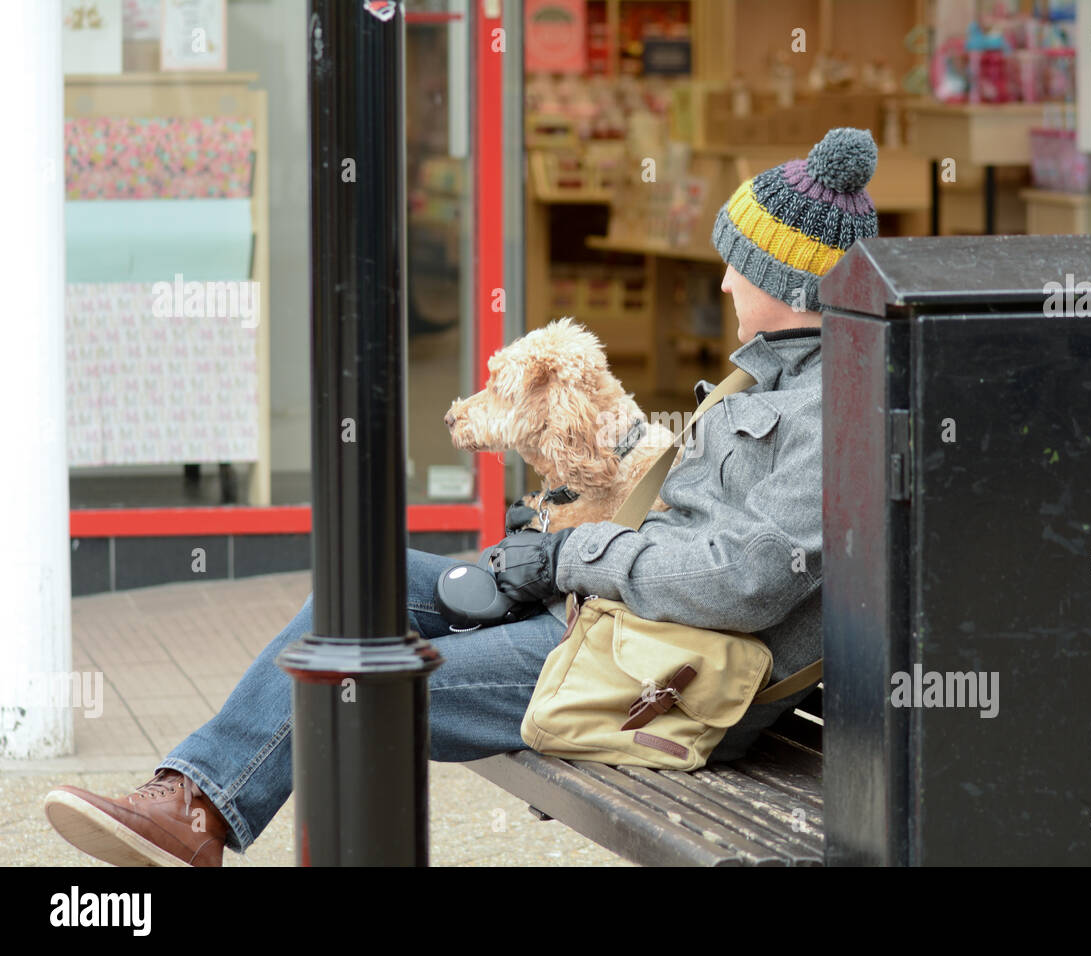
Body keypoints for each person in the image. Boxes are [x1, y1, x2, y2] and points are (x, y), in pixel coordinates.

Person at [43, 127, 879, 867]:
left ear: (791, 285)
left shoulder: (833, 409)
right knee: (366, 590)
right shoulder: (765, 379)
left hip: (663, 680)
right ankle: (186, 798)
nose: (726, 282)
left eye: (740, 264)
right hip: (615, 629)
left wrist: (570, 554)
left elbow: (744, 581)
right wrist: (560, 543)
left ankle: (196, 819)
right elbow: (681, 535)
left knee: (348, 678)